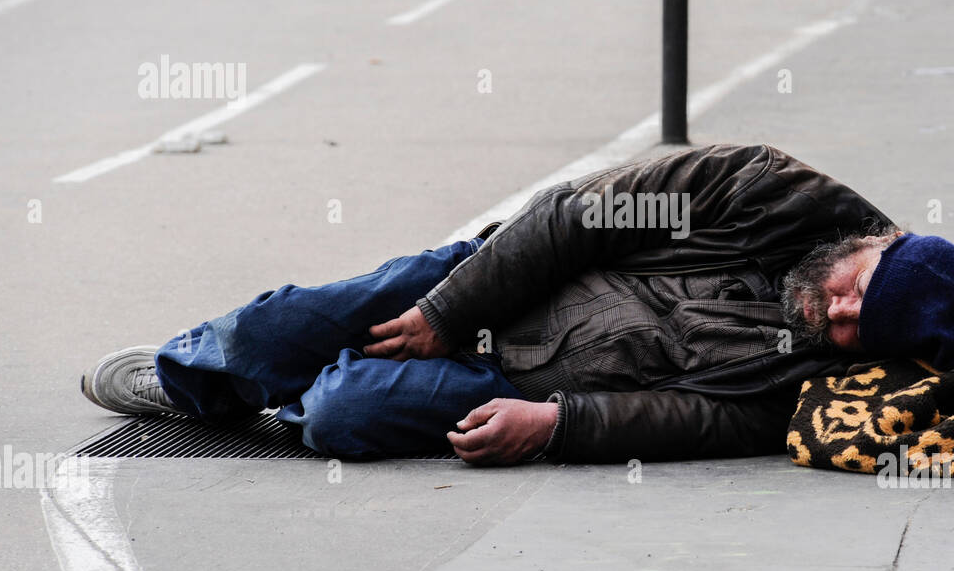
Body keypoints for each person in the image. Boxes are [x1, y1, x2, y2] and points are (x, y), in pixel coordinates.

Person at [81, 143, 900, 465]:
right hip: (498, 282)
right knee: (296, 324)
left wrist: (559, 426)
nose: (838, 319)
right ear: (870, 246)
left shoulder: (828, 375)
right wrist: (449, 310)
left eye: (858, 329)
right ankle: (199, 379)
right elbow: (580, 215)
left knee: (339, 416)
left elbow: (707, 422)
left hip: (527, 384)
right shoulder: (770, 188)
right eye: (851, 294)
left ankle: (283, 389)